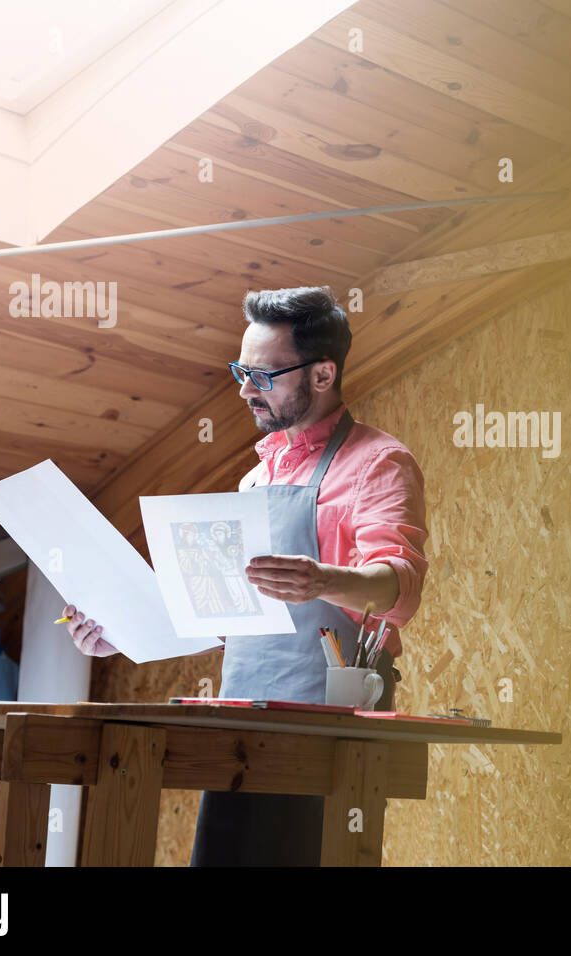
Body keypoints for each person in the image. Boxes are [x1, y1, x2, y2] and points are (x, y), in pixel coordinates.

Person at [63, 285, 428, 865]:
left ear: (323, 374)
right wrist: (123, 632)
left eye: (264, 375)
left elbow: (397, 588)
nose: (244, 389)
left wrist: (320, 580)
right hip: (236, 730)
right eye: (241, 371)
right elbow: (229, 616)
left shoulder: (378, 462)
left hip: (330, 741)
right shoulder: (253, 482)